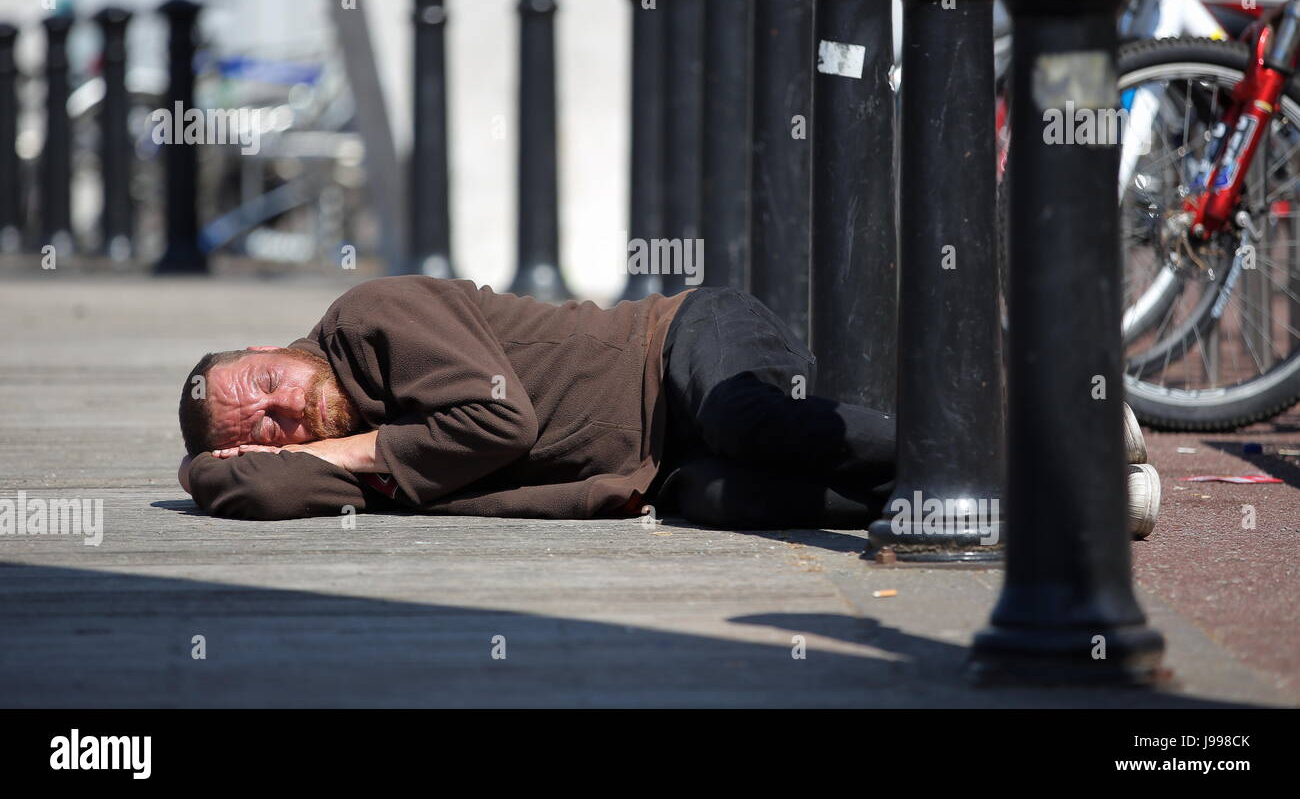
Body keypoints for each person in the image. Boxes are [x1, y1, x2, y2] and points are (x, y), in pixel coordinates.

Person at [178, 276, 897, 528]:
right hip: (660, 464)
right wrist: (202, 468)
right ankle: (919, 494)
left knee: (740, 420)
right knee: (730, 499)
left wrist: (342, 450)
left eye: (271, 386)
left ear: (268, 348)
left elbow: (499, 420)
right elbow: (232, 486)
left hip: (677, 342)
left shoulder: (366, 320)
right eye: (269, 432)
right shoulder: (344, 466)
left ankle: (971, 455)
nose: (287, 414)